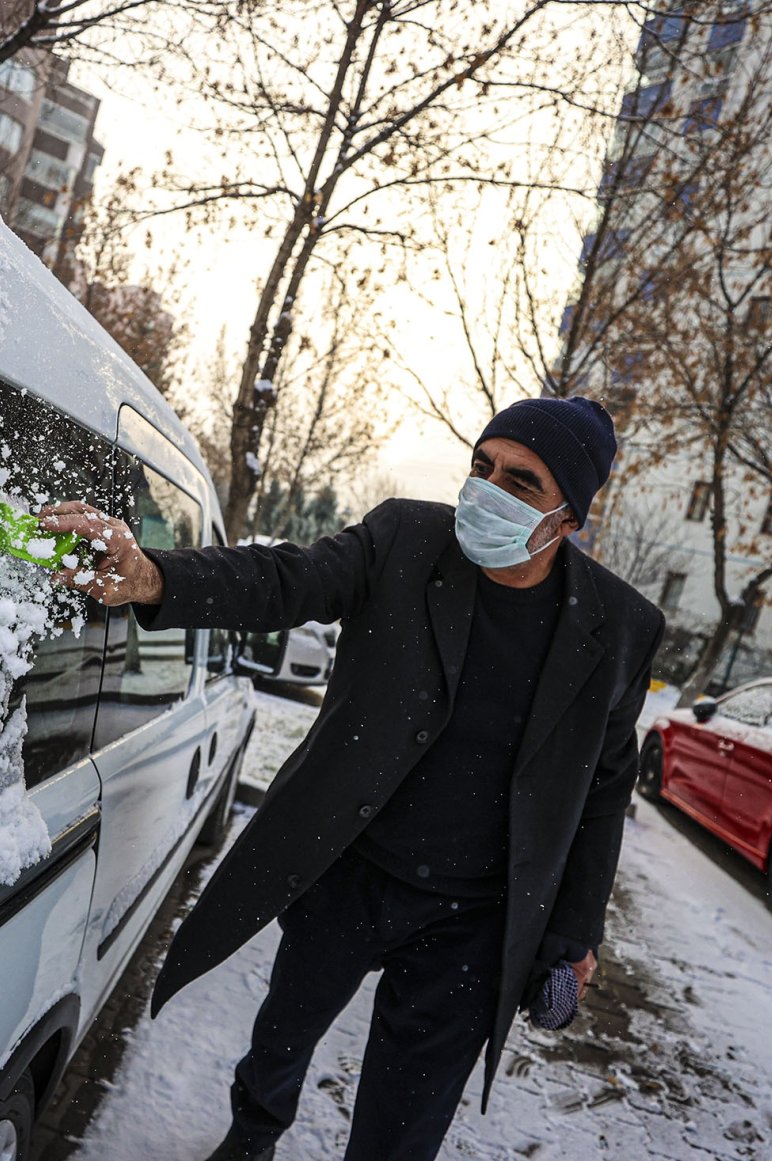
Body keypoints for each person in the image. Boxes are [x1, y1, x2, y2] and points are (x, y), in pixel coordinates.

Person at [40, 397, 664, 1161]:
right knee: (282, 1034)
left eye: (521, 480)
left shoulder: (618, 628)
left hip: (476, 918)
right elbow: (284, 577)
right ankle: (252, 1136)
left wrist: (574, 934)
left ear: (569, 518)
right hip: (350, 867)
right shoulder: (407, 539)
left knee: (406, 1121)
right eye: (482, 465)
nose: (487, 488)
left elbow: (605, 789)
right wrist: (153, 577)